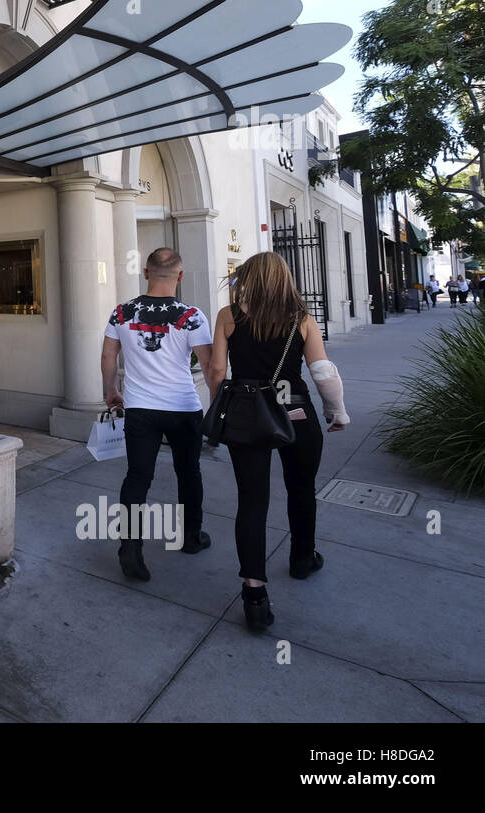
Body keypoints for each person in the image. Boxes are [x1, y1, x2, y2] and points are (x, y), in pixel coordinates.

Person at [207, 251, 350, 632]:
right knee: (301, 490)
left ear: (247, 279)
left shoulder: (228, 316)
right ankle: (303, 558)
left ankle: (254, 594)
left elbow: (218, 371)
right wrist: (337, 411)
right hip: (296, 413)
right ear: (285, 279)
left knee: (251, 501)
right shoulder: (301, 318)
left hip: (247, 415)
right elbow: (322, 371)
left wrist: (218, 405)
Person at [101, 247, 213, 581]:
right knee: (188, 472)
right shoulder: (193, 315)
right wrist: (218, 407)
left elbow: (109, 357)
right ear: (180, 276)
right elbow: (209, 366)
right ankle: (191, 537)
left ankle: (130, 548)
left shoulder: (121, 313)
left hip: (140, 409)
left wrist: (110, 390)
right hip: (183, 407)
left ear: (146, 273)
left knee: (138, 477)